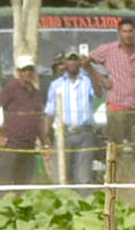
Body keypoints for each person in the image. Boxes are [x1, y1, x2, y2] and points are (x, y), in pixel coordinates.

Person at [89, 18, 135, 169]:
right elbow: (86, 61)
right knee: (115, 151)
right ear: (119, 33)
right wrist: (101, 79)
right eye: (125, 31)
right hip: (116, 109)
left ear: (134, 33)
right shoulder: (109, 49)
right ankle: (115, 181)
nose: (128, 34)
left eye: (130, 31)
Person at [42, 51, 100, 185]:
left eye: (75, 60)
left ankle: (84, 204)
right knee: (61, 176)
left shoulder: (87, 81)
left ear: (80, 63)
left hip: (85, 133)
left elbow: (98, 93)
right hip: (64, 134)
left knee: (83, 177)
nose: (73, 63)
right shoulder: (56, 84)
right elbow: (49, 111)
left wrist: (90, 71)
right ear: (65, 63)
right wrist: (45, 140)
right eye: (70, 60)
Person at [0, 61, 46, 187]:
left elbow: (39, 121)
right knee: (4, 181)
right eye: (24, 70)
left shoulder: (36, 93)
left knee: (23, 184)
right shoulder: (11, 88)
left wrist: (44, 144)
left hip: (29, 145)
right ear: (18, 72)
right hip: (11, 144)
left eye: (30, 69)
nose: (27, 73)